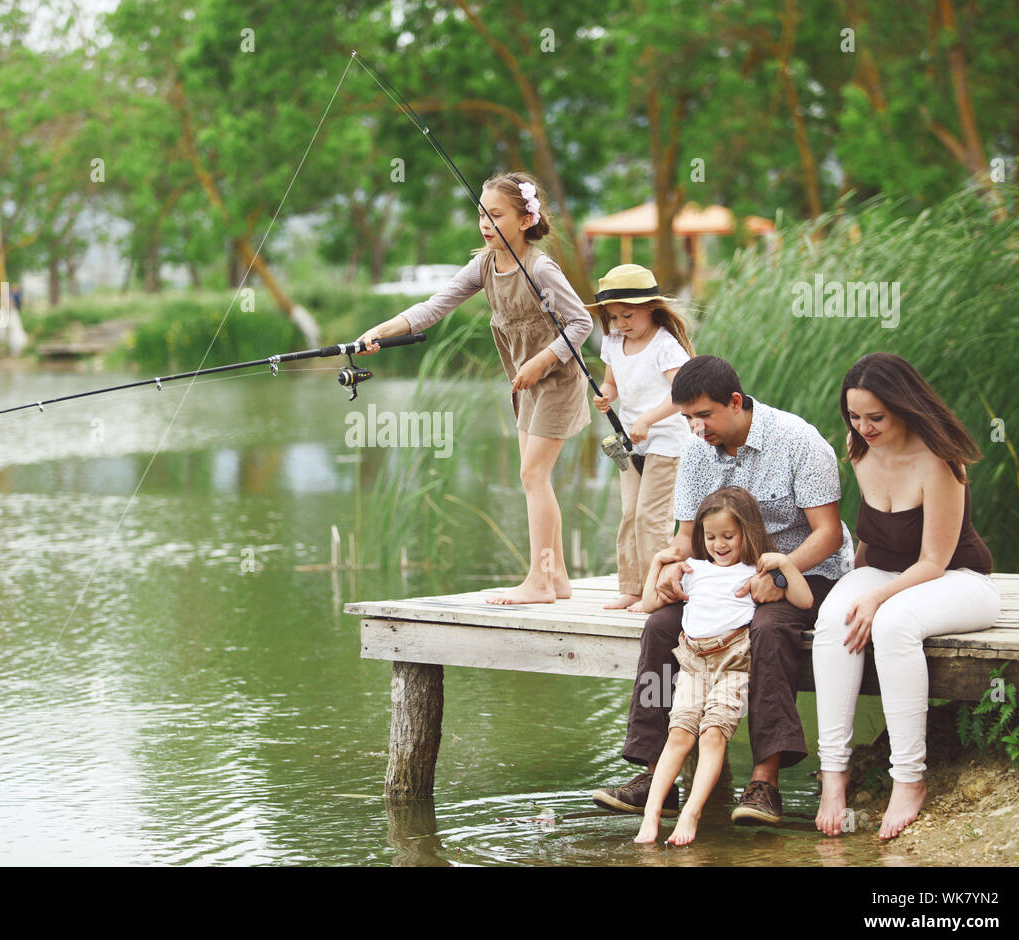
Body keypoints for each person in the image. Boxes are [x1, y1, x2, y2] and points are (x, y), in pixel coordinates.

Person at [592, 355, 853, 825]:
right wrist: (673, 568)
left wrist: (777, 573)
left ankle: (764, 782)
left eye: (704, 415)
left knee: (770, 630)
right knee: (660, 625)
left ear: (735, 402)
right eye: (687, 417)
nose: (696, 428)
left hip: (803, 569)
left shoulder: (798, 441)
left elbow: (828, 535)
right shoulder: (697, 450)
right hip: (722, 574)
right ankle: (658, 776)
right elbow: (684, 535)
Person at [358, 171, 591, 604]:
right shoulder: (483, 264)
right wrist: (382, 330)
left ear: (524, 220)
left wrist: (542, 361)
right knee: (536, 478)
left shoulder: (541, 268)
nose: (484, 221)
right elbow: (433, 307)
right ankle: (555, 577)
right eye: (480, 212)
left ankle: (539, 583)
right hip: (524, 383)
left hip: (556, 381)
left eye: (496, 214)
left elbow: (582, 322)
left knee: (532, 475)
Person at [814, 353, 1000, 841]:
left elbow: (934, 562)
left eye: (876, 417)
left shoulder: (939, 459)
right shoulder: (857, 448)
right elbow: (873, 541)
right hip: (889, 572)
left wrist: (876, 599)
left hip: (959, 580)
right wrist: (857, 588)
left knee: (893, 623)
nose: (864, 427)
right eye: (854, 417)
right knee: (835, 618)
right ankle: (834, 774)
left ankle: (909, 779)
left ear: (903, 405)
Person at [634, 487, 812, 845]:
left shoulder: (757, 571)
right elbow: (650, 603)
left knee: (713, 734)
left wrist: (786, 565)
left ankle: (692, 813)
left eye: (728, 536)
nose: (719, 544)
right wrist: (657, 564)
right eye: (710, 536)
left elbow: (804, 600)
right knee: (680, 734)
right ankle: (650, 817)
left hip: (732, 663)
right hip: (692, 662)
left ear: (747, 532)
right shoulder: (693, 569)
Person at [585, 263, 693, 610]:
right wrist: (604, 395)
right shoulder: (615, 342)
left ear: (651, 308)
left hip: (666, 442)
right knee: (630, 513)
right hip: (628, 442)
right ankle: (631, 587)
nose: (621, 323)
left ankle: (658, 589)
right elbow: (612, 383)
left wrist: (648, 419)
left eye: (628, 315)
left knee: (652, 516)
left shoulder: (665, 346)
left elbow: (683, 394)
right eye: (614, 317)